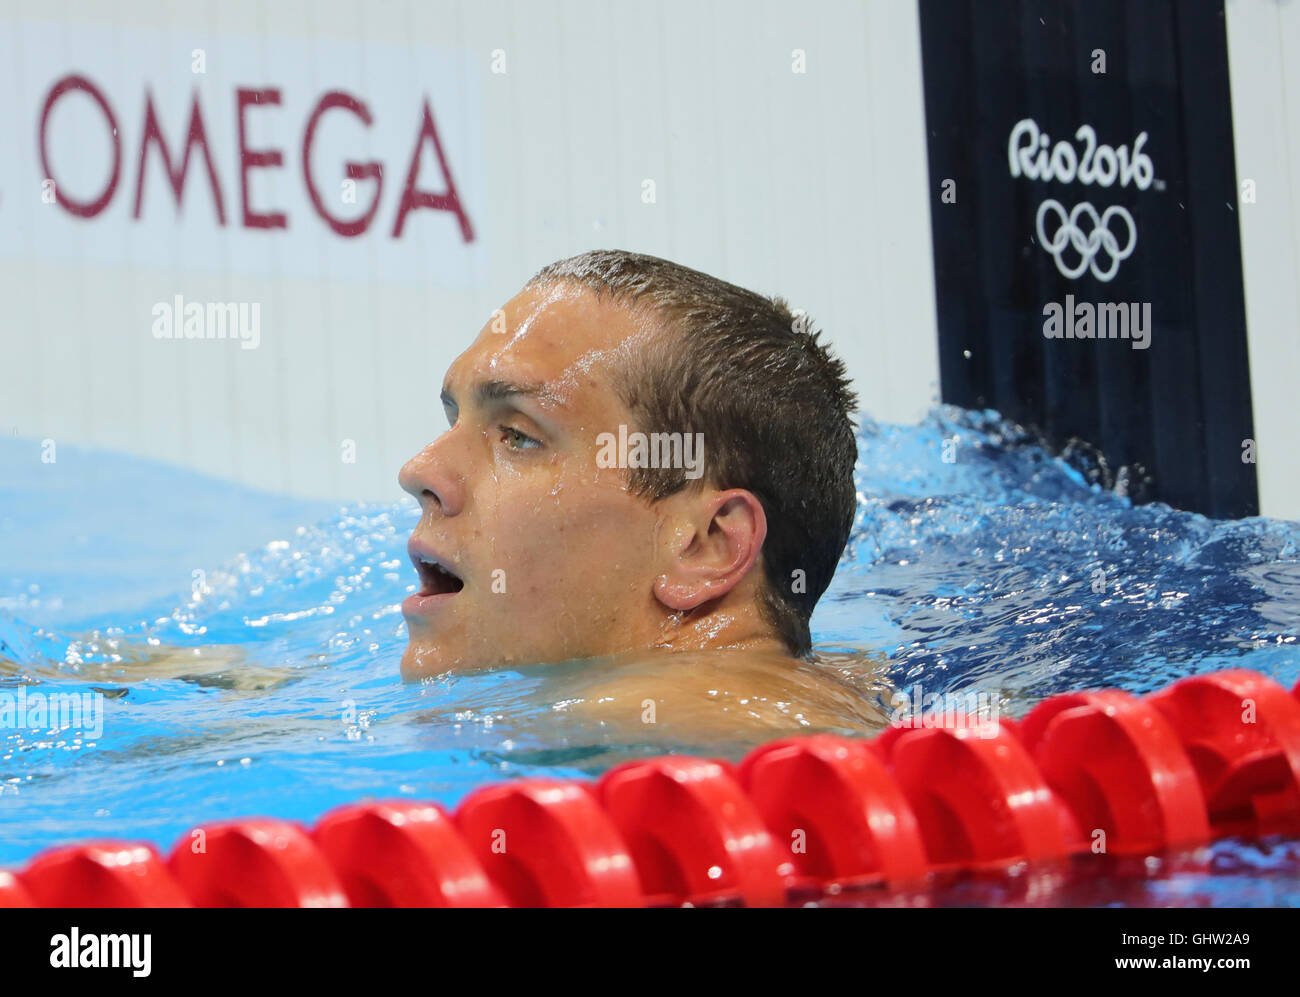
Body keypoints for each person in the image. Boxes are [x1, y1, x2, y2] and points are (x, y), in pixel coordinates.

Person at [399, 250, 885, 733]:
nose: (419, 470)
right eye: (455, 420)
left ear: (705, 543)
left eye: (519, 436)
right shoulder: (834, 698)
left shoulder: (641, 717)